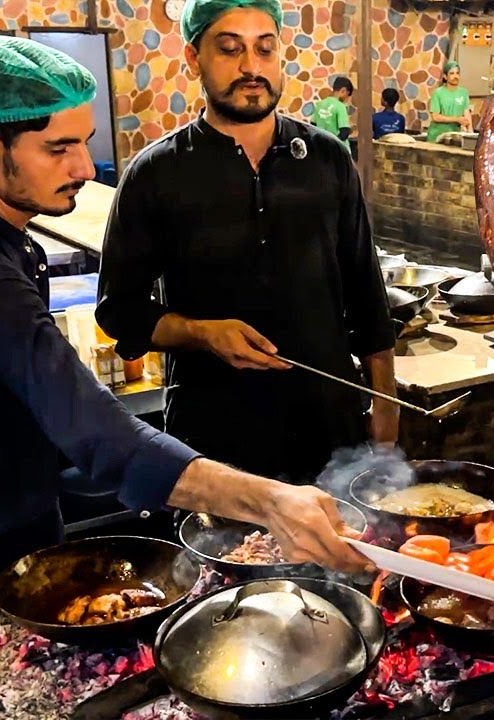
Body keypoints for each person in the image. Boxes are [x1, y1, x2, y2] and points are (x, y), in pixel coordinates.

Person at [0, 36, 368, 615]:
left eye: (84, 143)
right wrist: (270, 502)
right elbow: (97, 434)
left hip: (11, 505)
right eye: (58, 148)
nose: (83, 167)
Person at [96, 0, 398, 486]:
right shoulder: (156, 174)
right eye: (230, 49)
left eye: (265, 48)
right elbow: (119, 312)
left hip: (331, 436)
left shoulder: (327, 159)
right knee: (224, 562)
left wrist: (384, 400)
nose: (251, 67)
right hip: (214, 440)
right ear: (194, 59)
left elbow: (367, 292)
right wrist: (202, 333)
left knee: (343, 561)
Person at [426, 60, 472, 143]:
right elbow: (435, 117)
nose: (455, 76)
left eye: (457, 73)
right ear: (445, 76)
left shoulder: (463, 92)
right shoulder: (438, 93)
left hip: (454, 137)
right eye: (452, 73)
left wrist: (471, 135)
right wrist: (457, 119)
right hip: (437, 137)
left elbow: (467, 114)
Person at [313, 76, 353, 146]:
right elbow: (344, 132)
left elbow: (313, 125)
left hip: (322, 146)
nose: (346, 100)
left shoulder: (319, 104)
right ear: (343, 91)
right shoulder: (340, 106)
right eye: (347, 95)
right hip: (337, 149)